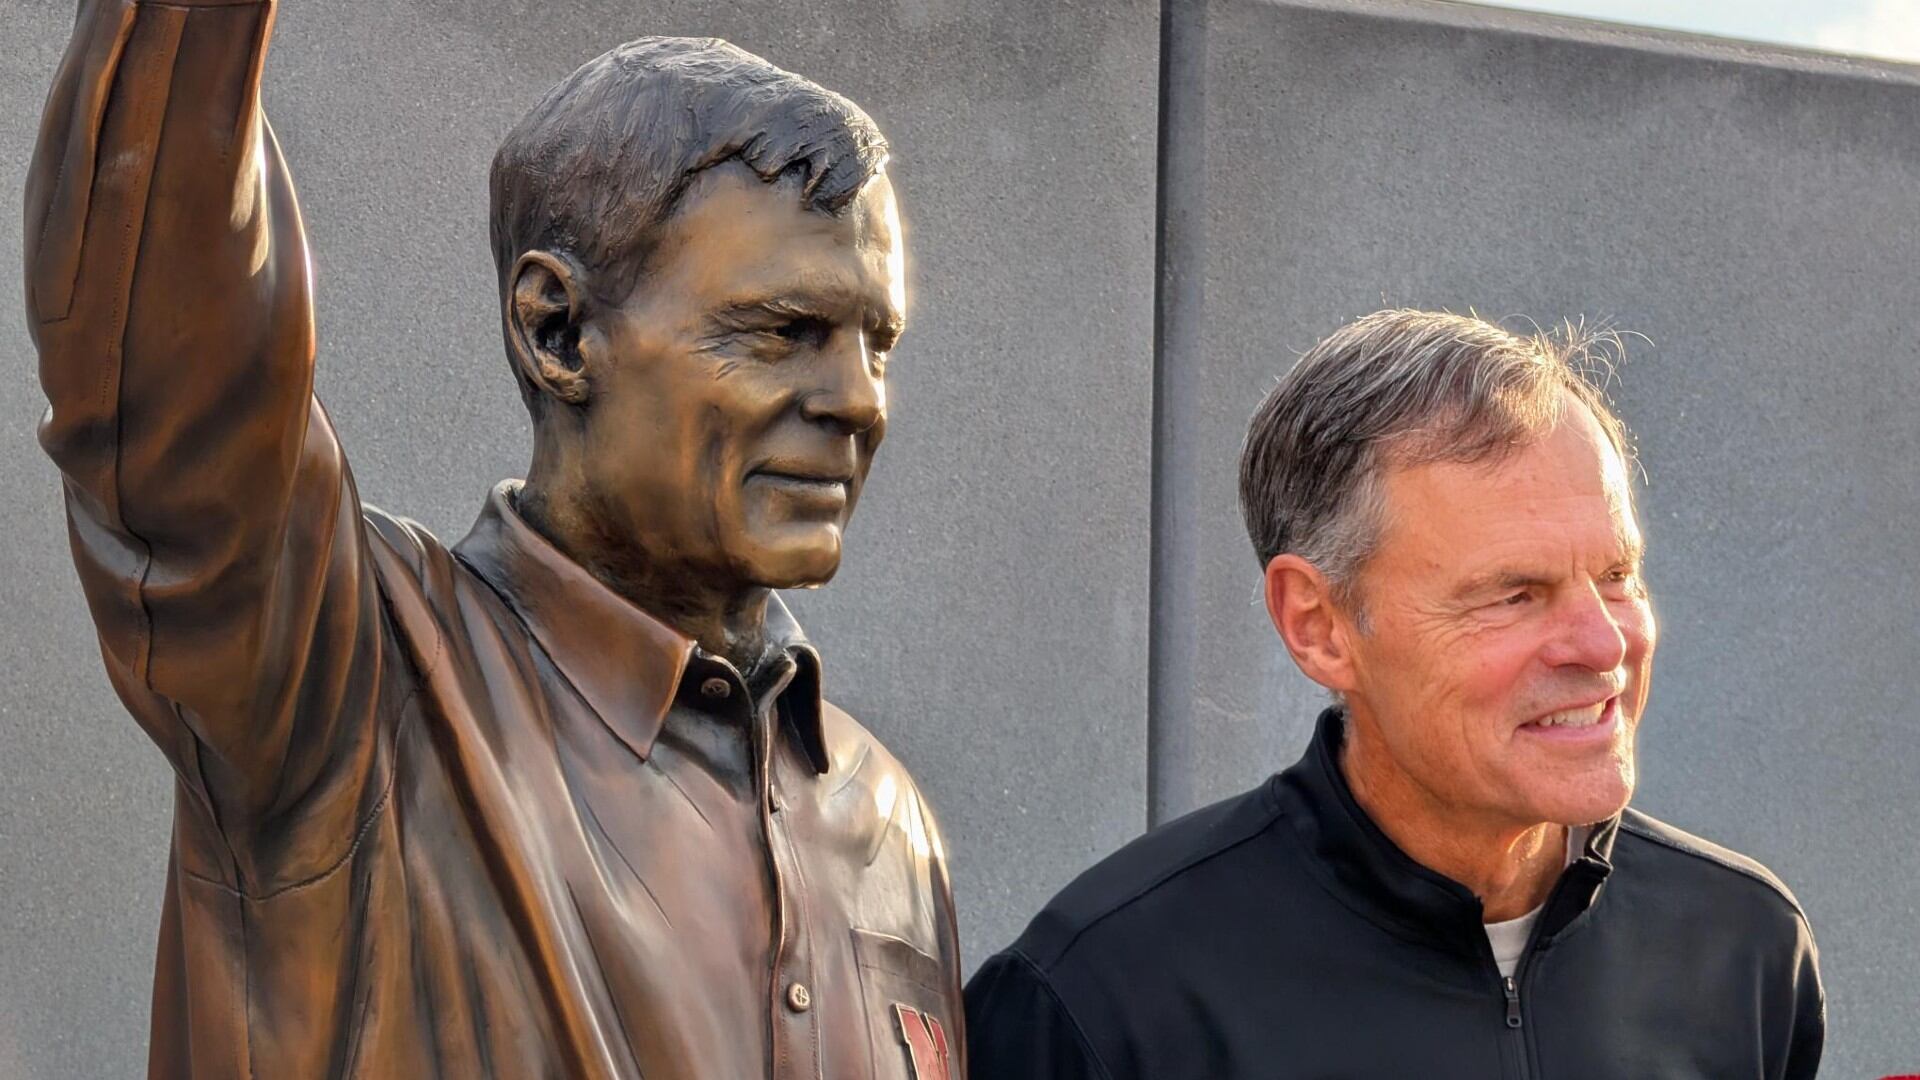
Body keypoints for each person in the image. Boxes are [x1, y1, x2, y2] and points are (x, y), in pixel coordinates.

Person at [24, 2, 962, 1077]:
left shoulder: (889, 822)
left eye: (875, 343)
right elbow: (168, 358)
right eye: (782, 331)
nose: (857, 401)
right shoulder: (352, 688)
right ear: (556, 330)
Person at [965, 310, 1823, 1078]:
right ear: (1319, 624)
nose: (1604, 641)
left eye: (1617, 574)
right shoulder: (1101, 999)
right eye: (1513, 593)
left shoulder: (1744, 948)